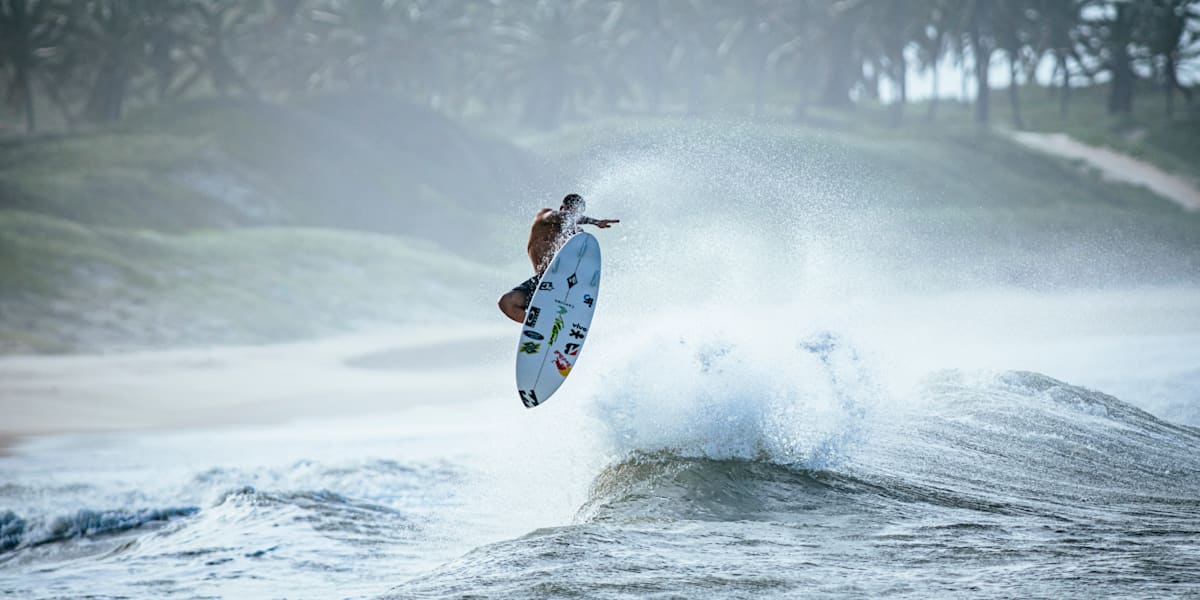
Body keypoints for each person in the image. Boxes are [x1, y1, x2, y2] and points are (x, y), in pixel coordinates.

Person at [498, 193, 619, 323]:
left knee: (578, 233)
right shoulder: (544, 216)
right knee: (507, 303)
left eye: (577, 213)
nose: (573, 218)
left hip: (566, 281)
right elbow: (564, 217)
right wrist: (595, 222)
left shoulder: (572, 233)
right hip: (543, 284)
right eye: (572, 211)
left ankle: (574, 302)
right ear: (562, 208)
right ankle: (541, 323)